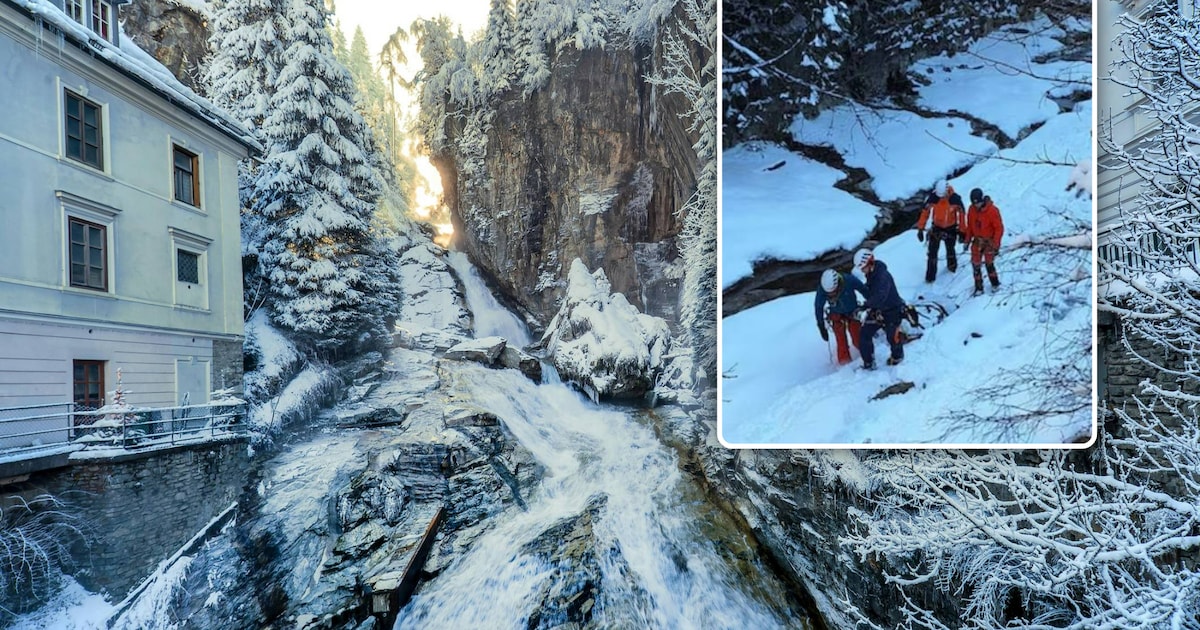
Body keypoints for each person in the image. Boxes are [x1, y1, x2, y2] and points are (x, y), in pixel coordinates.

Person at [854, 248, 905, 369]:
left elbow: (880, 296)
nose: (862, 270)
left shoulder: (882, 276)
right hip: (878, 310)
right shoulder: (871, 274)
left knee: (892, 336)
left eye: (863, 267)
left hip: (892, 309)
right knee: (864, 334)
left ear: (870, 263)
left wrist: (865, 306)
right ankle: (868, 362)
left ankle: (897, 357)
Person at [915, 179, 965, 283]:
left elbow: (961, 214)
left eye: (942, 196)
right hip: (936, 228)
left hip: (951, 228)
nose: (941, 198)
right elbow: (925, 212)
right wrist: (920, 228)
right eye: (939, 196)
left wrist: (962, 231)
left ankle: (952, 269)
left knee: (950, 250)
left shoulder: (955, 199)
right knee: (932, 253)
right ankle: (930, 277)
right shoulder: (933, 198)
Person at [815, 268, 867, 365]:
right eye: (829, 294)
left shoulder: (849, 280)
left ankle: (865, 354)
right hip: (836, 315)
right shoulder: (822, 289)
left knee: (857, 337)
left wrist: (873, 304)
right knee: (841, 340)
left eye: (833, 292)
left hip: (852, 312)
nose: (831, 295)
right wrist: (821, 326)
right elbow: (818, 306)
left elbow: (864, 290)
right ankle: (845, 364)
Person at [962, 187, 1005, 296]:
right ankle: (978, 287)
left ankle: (995, 283)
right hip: (977, 242)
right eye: (974, 203)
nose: (976, 205)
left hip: (989, 242)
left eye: (978, 203)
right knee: (975, 265)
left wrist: (996, 244)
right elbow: (970, 227)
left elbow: (999, 228)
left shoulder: (992, 210)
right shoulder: (971, 210)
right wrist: (967, 240)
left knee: (989, 264)